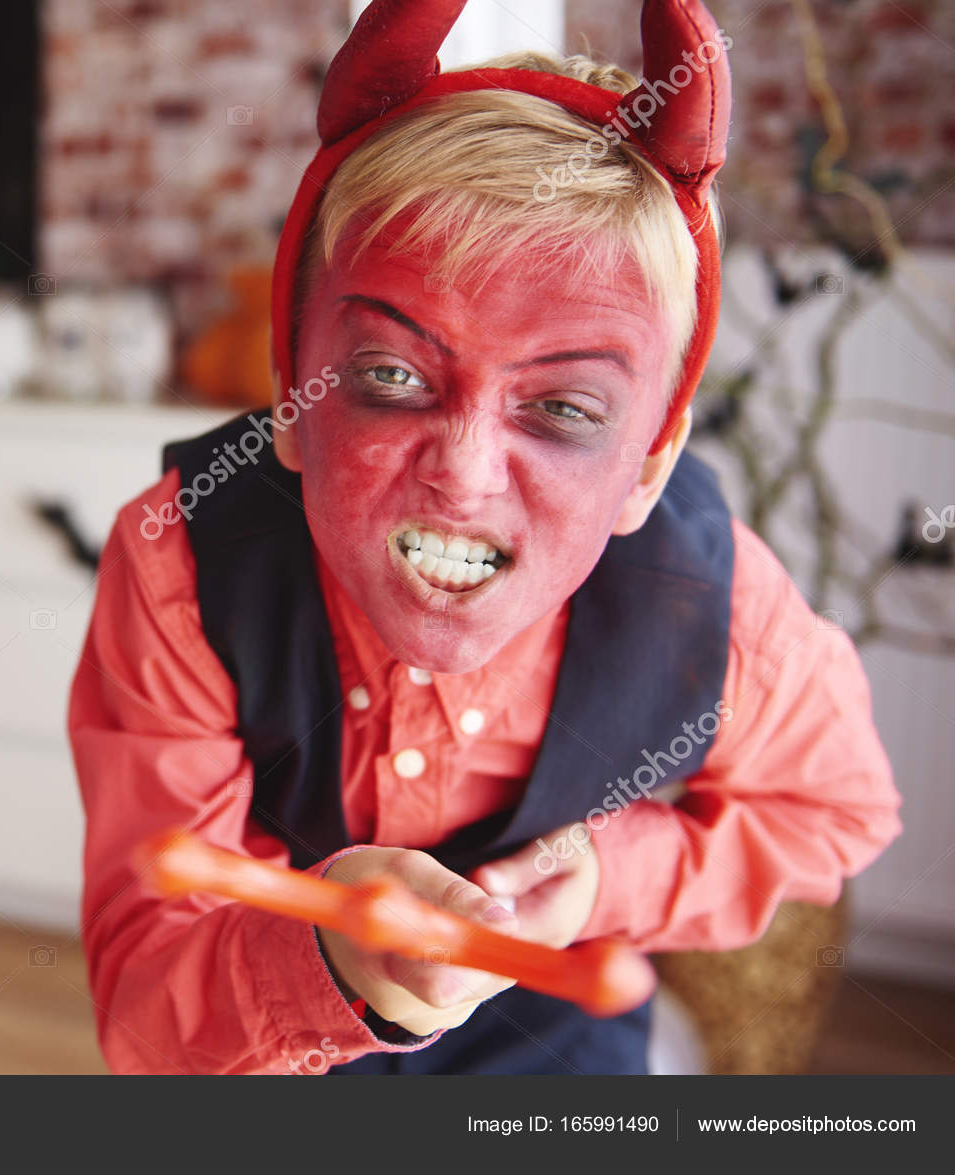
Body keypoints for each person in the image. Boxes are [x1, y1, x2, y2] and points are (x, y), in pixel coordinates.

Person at [67, 0, 901, 1075]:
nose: (459, 474)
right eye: (389, 378)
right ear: (292, 391)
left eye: (560, 409)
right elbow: (147, 1001)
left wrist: (610, 878)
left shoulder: (718, 601)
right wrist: (323, 960)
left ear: (648, 460)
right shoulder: (181, 565)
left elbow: (830, 813)